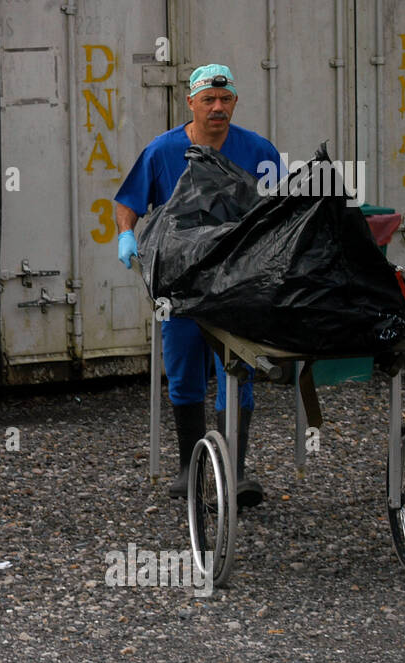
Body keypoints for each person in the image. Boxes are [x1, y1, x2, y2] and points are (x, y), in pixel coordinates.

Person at [113, 64, 283, 506]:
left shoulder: (258, 150)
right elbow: (128, 201)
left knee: (237, 369)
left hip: (238, 281)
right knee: (184, 368)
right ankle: (191, 466)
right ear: (191, 102)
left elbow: (280, 211)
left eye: (225, 99)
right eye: (208, 99)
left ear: (235, 102)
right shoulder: (163, 151)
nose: (217, 107)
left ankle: (234, 472)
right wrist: (126, 234)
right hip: (180, 283)